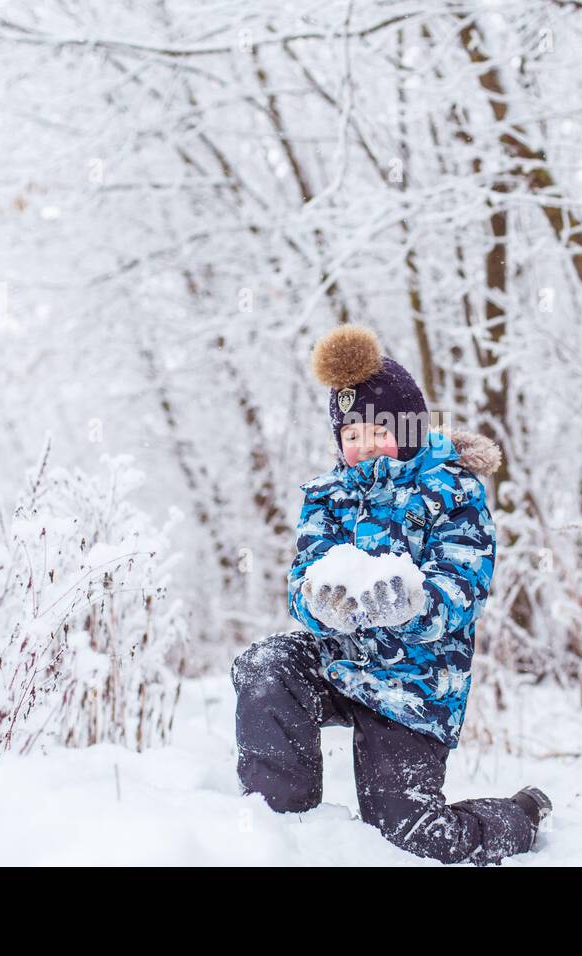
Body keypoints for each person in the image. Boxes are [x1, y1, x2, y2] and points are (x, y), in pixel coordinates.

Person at [230, 324, 552, 865]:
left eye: (375, 430)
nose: (361, 445)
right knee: (268, 665)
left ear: (408, 426)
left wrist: (413, 604)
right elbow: (301, 579)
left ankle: (518, 816)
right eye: (349, 435)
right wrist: (316, 602)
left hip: (414, 682)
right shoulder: (328, 496)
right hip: (340, 661)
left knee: (414, 837)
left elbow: (462, 587)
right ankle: (282, 825)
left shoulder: (453, 492)